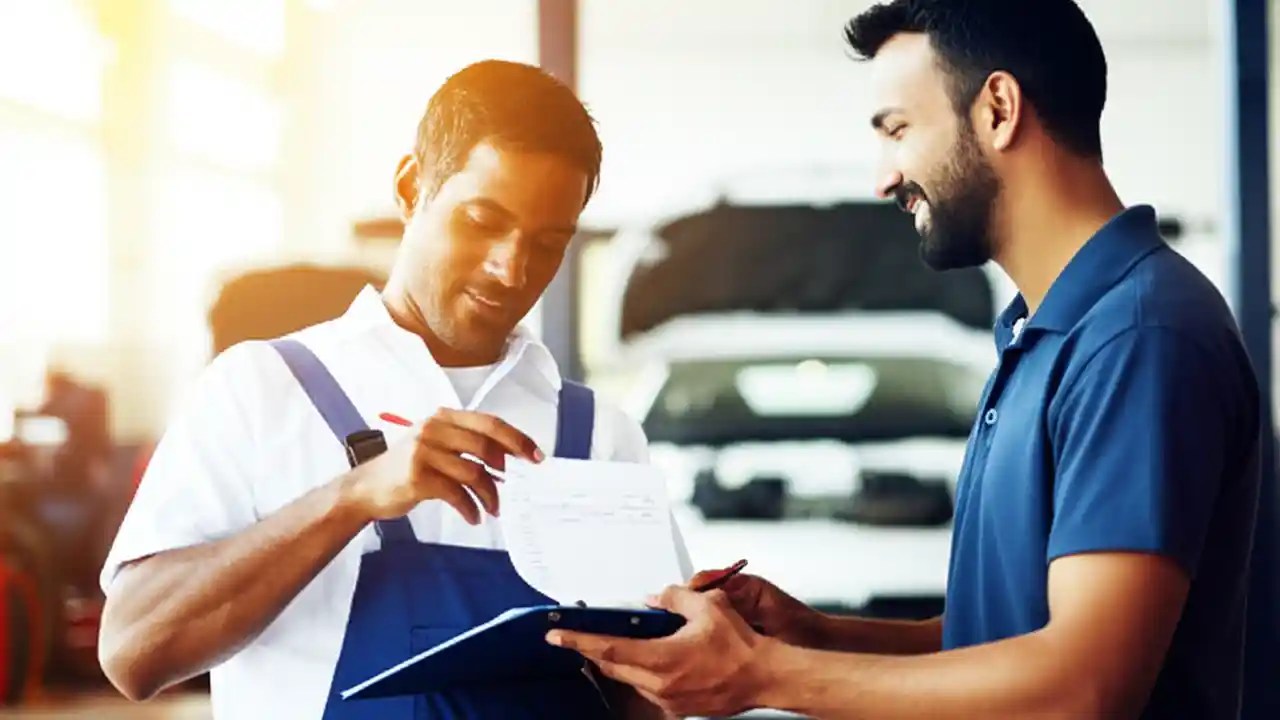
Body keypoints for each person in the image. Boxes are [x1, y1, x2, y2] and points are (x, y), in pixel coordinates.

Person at [547, 2, 1263, 718]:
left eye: (898, 129)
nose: (884, 178)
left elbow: (1082, 688)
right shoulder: (1044, 337)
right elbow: (1008, 637)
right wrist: (815, 636)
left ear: (999, 109)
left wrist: (764, 676)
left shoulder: (1137, 337)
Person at [97, 59, 690, 719]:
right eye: (482, 221)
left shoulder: (598, 434)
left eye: (548, 243)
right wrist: (351, 499)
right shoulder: (260, 391)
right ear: (411, 187)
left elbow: (649, 699)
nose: (511, 266)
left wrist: (690, 661)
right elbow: (133, 653)